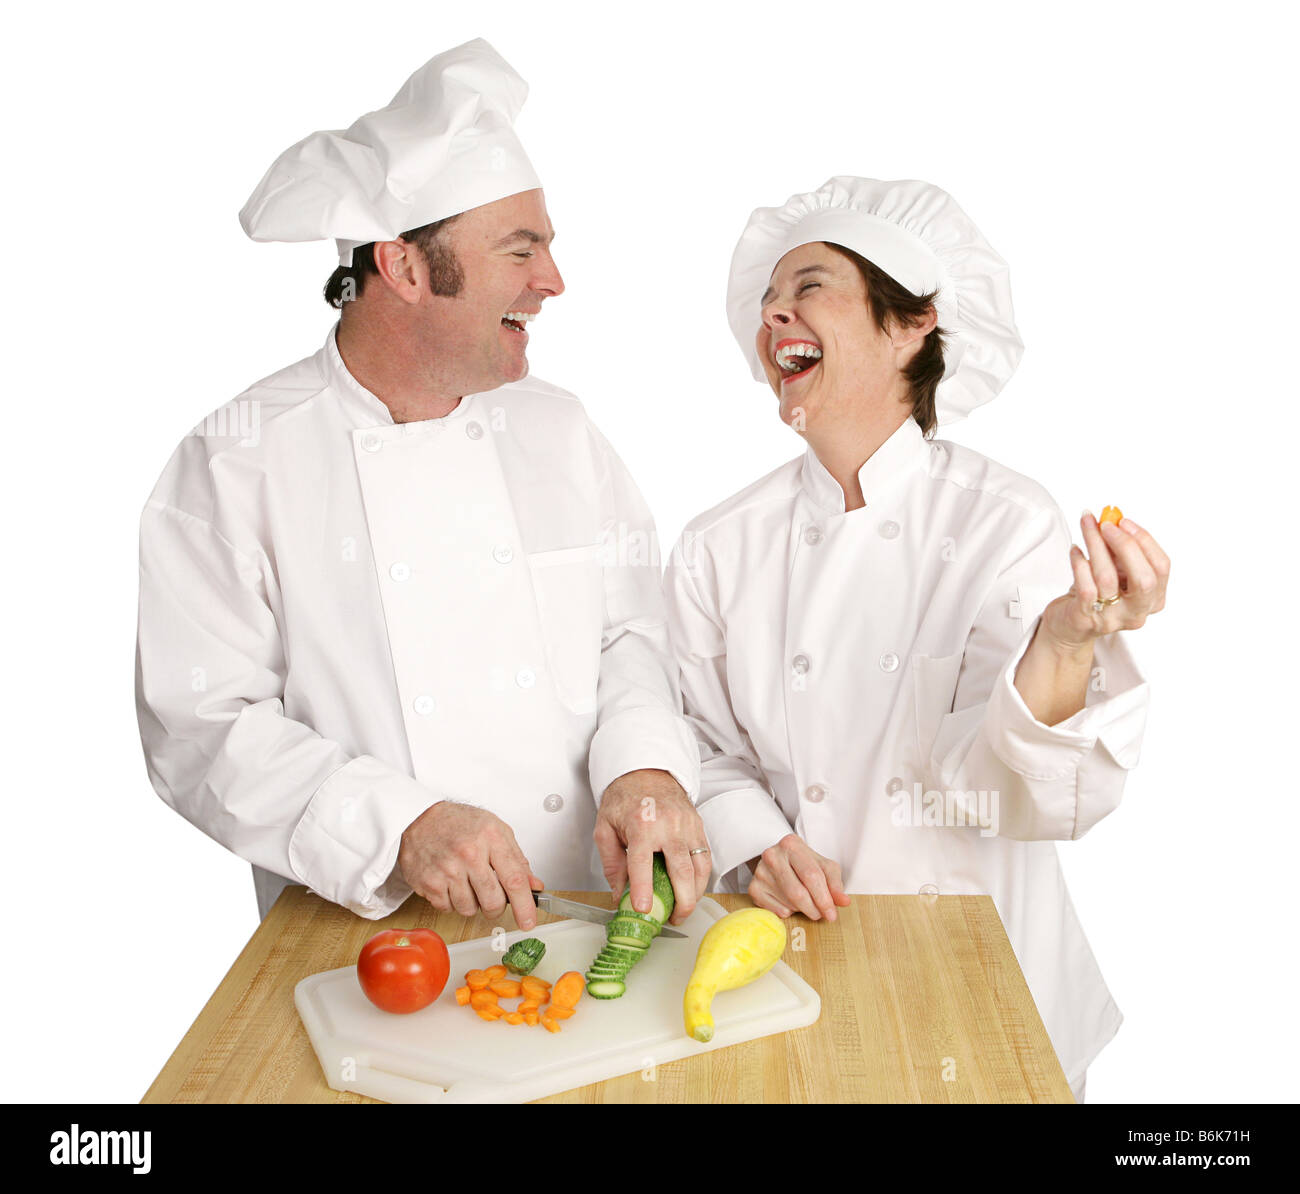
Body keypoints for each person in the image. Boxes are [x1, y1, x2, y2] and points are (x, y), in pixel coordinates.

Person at [135, 40, 709, 930]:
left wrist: (644, 767)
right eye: (521, 252)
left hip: (595, 910)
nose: (553, 282)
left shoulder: (561, 431)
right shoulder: (236, 461)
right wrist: (400, 825)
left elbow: (629, 634)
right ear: (402, 267)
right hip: (362, 932)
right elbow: (199, 726)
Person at [663, 177, 1169, 1103]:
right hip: (793, 958)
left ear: (913, 325)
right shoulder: (717, 544)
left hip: (986, 975)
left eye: (809, 285)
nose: (775, 311)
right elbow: (701, 744)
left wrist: (1063, 642)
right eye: (769, 299)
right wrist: (757, 837)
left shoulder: (1004, 521)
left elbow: (1012, 794)